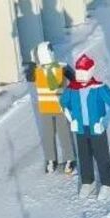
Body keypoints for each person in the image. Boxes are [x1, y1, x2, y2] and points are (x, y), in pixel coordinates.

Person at [60, 54, 110, 200]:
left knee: (101, 155)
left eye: (84, 72)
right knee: (84, 155)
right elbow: (63, 104)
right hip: (80, 128)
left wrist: (104, 122)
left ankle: (108, 183)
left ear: (91, 71)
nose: (80, 75)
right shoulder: (72, 89)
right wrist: (71, 119)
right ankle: (88, 182)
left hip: (96, 128)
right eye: (78, 72)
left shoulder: (98, 88)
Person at [28, 42, 76, 175]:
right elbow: (29, 76)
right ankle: (51, 160)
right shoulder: (37, 70)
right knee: (48, 135)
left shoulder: (62, 67)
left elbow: (74, 79)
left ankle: (69, 159)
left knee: (64, 133)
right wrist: (33, 63)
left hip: (60, 107)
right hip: (45, 108)